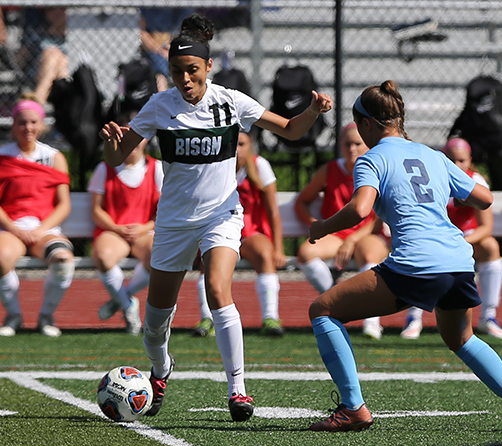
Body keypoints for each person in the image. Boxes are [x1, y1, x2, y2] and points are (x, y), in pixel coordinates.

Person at [99, 13, 331, 422]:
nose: (184, 79)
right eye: (176, 72)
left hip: (221, 216)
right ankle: (160, 369)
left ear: (208, 67)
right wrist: (112, 145)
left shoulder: (232, 101)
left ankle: (238, 389)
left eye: (191, 70)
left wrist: (313, 110)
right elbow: (118, 159)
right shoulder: (159, 106)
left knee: (219, 290)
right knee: (155, 322)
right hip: (172, 224)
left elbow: (292, 130)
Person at [306, 80, 502, 433]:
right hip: (459, 262)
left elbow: (360, 209)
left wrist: (321, 227)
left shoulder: (371, 159)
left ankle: (353, 407)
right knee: (461, 338)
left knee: (322, 309)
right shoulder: (434, 156)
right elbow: (484, 198)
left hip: (417, 264)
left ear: (367, 124)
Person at [0, 93, 74, 337]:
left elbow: (63, 205)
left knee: (63, 260)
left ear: (42, 125)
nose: (28, 128)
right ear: (13, 125)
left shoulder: (54, 157)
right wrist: (15, 229)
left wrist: (39, 230)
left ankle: (46, 316)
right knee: (0, 257)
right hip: (11, 229)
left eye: (33, 122)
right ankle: (13, 315)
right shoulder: (1, 157)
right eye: (22, 122)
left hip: (44, 230)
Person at [400, 137, 502, 340]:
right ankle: (414, 317)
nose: (457, 165)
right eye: (451, 159)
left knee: (491, 247)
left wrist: (460, 242)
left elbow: (485, 227)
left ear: (470, 160)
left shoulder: (476, 181)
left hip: (466, 238)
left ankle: (489, 316)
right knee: (418, 250)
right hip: (433, 237)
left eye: (462, 160)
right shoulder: (427, 178)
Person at [294, 123, 389, 340]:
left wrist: (353, 240)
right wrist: (314, 223)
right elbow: (302, 201)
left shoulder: (378, 169)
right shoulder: (329, 170)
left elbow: (377, 217)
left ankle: (372, 322)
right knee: (305, 254)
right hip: (336, 233)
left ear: (368, 145)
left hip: (367, 233)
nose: (352, 148)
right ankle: (335, 301)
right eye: (347, 144)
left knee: (370, 255)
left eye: (358, 143)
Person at [194, 130, 287, 337]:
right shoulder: (214, 166)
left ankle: (270, 318)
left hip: (251, 233)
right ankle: (207, 318)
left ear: (250, 145)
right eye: (232, 143)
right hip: (222, 232)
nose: (236, 149)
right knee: (206, 258)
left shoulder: (260, 165)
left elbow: (273, 212)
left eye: (242, 144)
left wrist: (278, 248)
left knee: (265, 254)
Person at [91, 108, 163, 336]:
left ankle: (123, 298)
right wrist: (116, 228)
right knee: (103, 255)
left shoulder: (157, 168)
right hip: (115, 230)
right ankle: (127, 305)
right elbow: (96, 210)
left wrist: (145, 227)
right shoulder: (105, 168)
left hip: (144, 230)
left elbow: (163, 211)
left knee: (160, 255)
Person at [0, 6, 69, 104]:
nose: (57, 13)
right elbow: (18, 60)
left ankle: (36, 105)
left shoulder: (71, 33)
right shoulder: (36, 32)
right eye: (50, 8)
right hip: (35, 69)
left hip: (60, 69)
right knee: (53, 56)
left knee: (60, 63)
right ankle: (38, 105)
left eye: (62, 8)